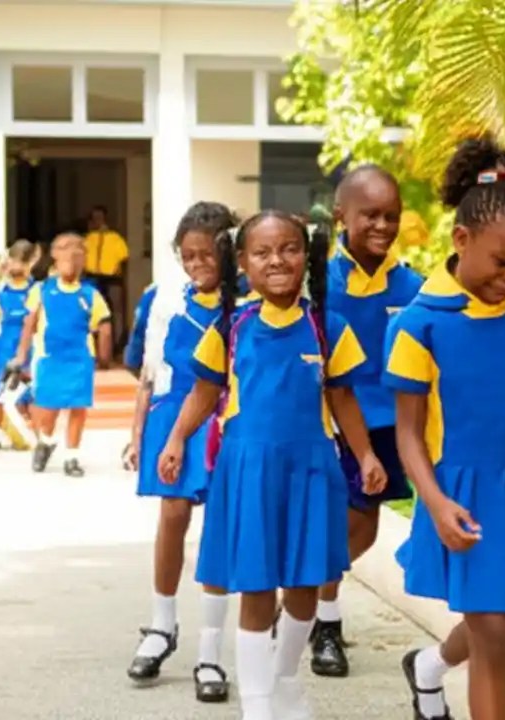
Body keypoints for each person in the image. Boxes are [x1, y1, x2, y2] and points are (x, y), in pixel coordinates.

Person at [161, 211, 387, 720]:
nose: (276, 260)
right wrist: (176, 439)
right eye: (261, 253)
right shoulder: (231, 326)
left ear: (306, 256)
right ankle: (257, 705)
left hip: (311, 470)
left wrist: (367, 454)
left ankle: (285, 678)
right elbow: (203, 392)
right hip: (248, 471)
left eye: (288, 248)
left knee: (305, 586)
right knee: (257, 586)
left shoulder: (328, 326)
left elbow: (345, 398)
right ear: (242, 263)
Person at [387, 138, 505, 720]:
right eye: (504, 262)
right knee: (495, 633)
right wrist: (436, 502)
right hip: (459, 491)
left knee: (500, 614)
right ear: (462, 240)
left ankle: (429, 667)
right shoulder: (421, 323)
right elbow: (408, 434)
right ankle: (437, 672)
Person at [121, 201, 239, 704]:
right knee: (172, 514)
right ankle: (161, 624)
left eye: (206, 255)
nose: (196, 264)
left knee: (220, 529)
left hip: (227, 417)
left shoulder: (246, 304)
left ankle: (210, 651)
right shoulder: (166, 300)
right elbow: (149, 373)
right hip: (174, 418)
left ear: (228, 253)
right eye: (187, 256)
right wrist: (136, 433)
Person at [312, 164, 424, 677]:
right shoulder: (318, 283)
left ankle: (309, 600)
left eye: (391, 216)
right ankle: (325, 622)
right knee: (348, 521)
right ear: (341, 216)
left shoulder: (415, 287)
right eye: (370, 215)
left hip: (386, 424)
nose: (382, 225)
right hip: (326, 422)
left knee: (364, 528)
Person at [12, 232, 112, 477]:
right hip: (50, 358)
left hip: (79, 359)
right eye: (66, 252)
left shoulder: (90, 294)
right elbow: (29, 324)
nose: (72, 258)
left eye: (77, 253)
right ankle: (45, 442)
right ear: (55, 257)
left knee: (78, 409)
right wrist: (20, 355)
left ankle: (72, 457)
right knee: (48, 409)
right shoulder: (42, 290)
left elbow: (104, 325)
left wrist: (104, 357)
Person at [0, 241, 41, 453]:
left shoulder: (38, 290)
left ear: (32, 262)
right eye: (13, 260)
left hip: (27, 344)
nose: (16, 266)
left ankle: (34, 434)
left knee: (27, 393)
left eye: (22, 261)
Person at [84, 205, 130, 350]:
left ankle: (114, 346)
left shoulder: (115, 238)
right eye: (95, 217)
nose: (98, 220)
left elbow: (124, 260)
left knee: (113, 312)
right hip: (91, 278)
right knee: (91, 312)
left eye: (100, 217)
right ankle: (96, 347)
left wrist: (122, 278)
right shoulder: (87, 238)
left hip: (111, 279)